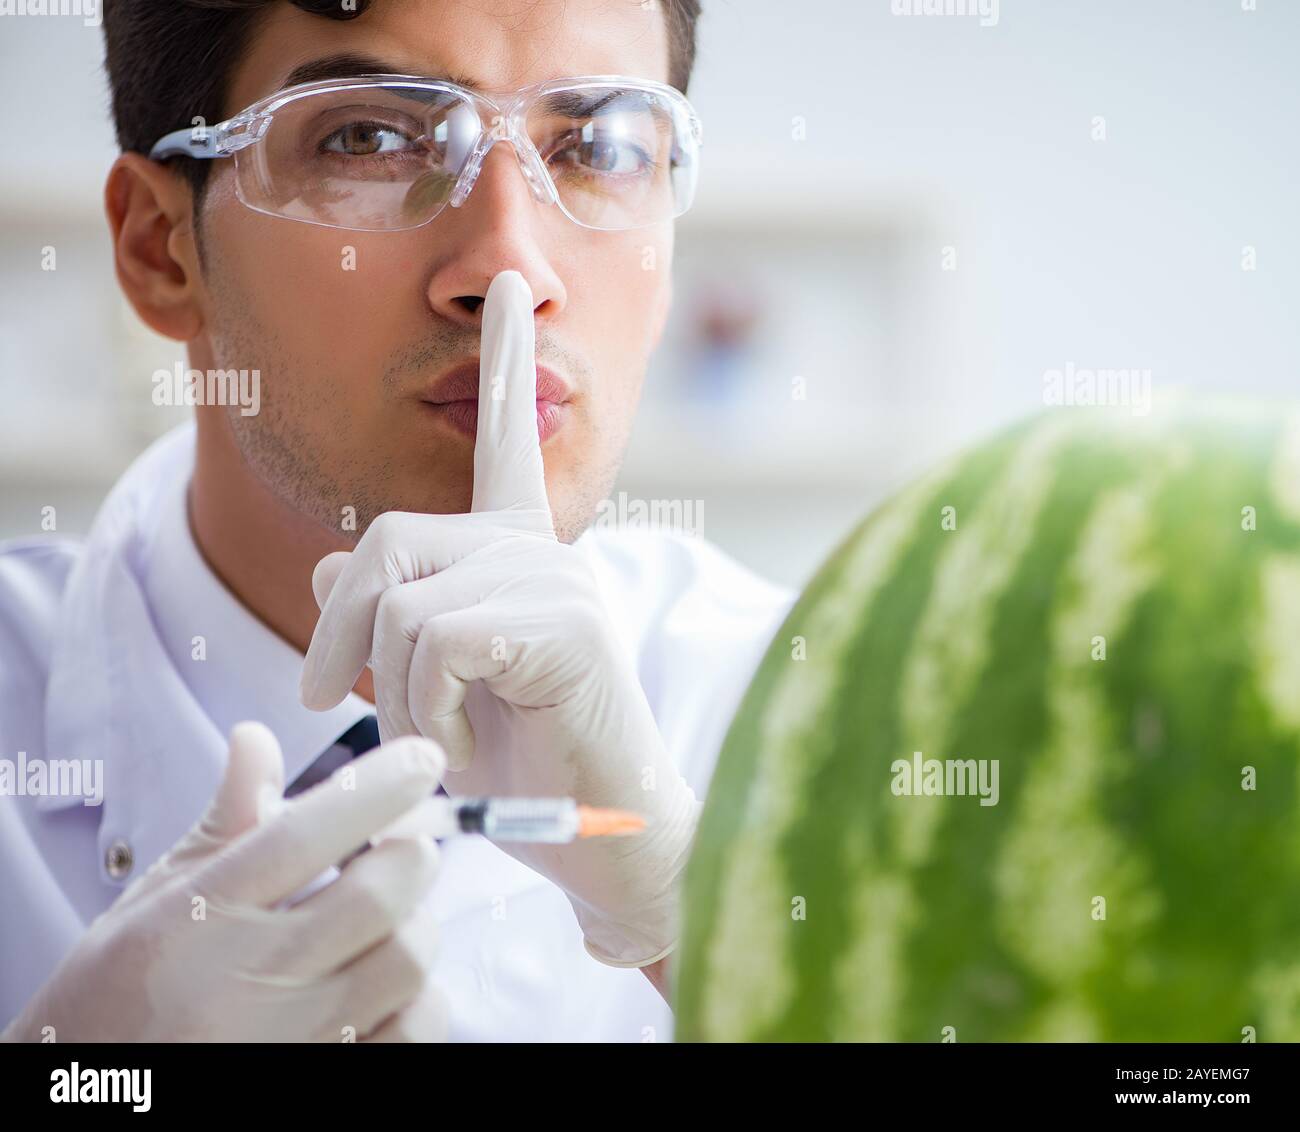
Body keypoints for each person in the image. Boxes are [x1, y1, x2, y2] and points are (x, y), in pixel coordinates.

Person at [0, 0, 795, 1042]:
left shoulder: (804, 703)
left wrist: (684, 914)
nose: (511, 268)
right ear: (161, 247)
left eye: (597, 144)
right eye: (368, 138)